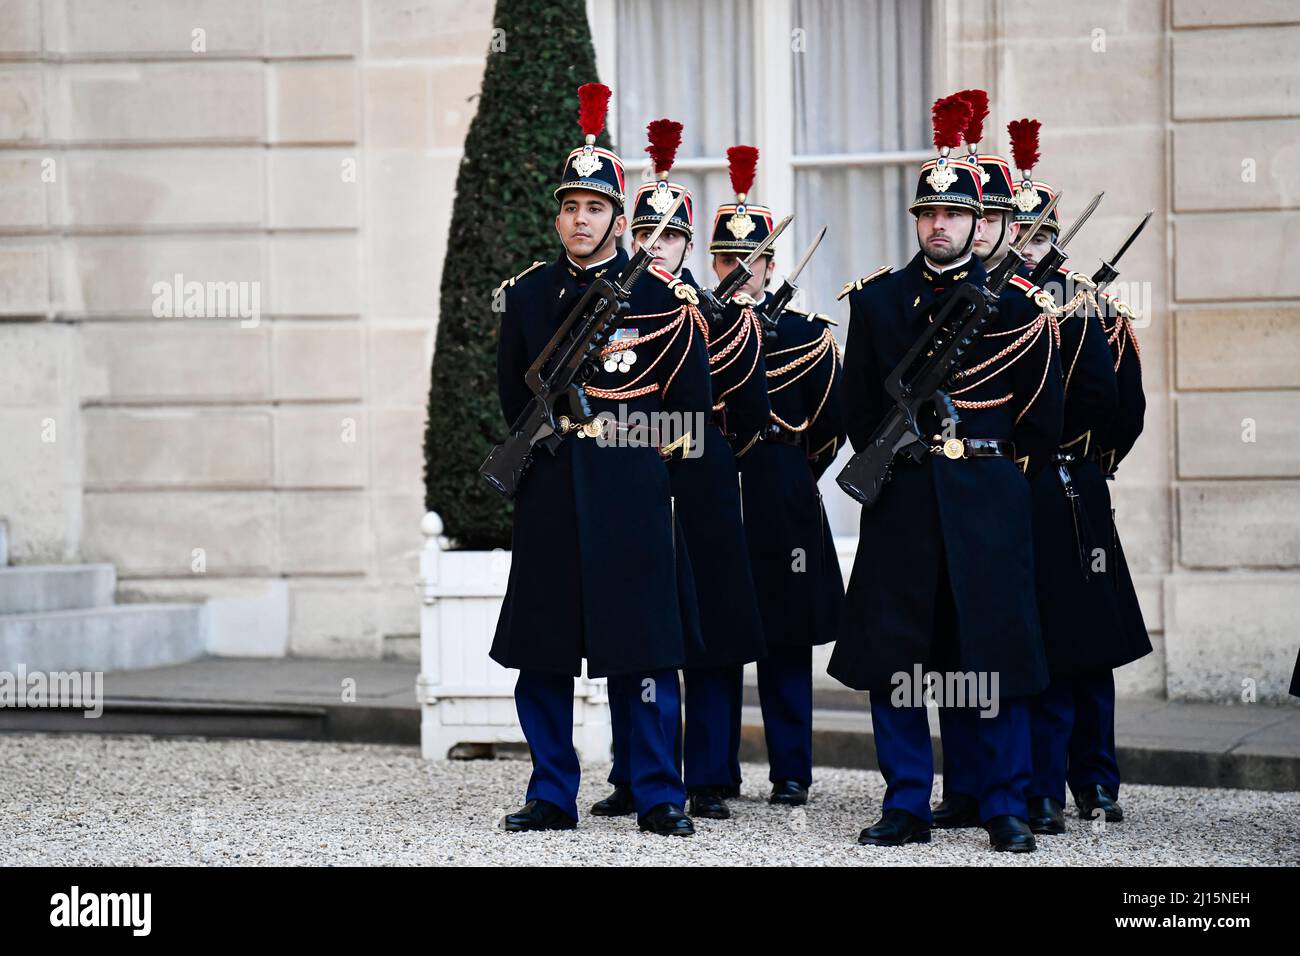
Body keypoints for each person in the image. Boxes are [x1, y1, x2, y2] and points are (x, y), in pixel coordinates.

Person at [830, 93, 1064, 852]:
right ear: (917, 220)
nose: (939, 225)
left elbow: (1043, 418)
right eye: (928, 213)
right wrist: (898, 449)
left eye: (954, 214)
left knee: (987, 653)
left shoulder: (1018, 306)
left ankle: (1000, 801)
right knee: (899, 658)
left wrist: (989, 466)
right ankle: (904, 800)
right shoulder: (877, 301)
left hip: (987, 496)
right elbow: (855, 404)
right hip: (901, 495)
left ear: (977, 220)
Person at [490, 84, 712, 837]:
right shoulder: (526, 297)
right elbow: (510, 400)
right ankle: (552, 791)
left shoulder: (661, 300)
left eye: (594, 208)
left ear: (621, 218)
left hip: (631, 495)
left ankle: (657, 792)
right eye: (569, 207)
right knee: (543, 654)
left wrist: (629, 455)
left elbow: (691, 417)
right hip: (551, 490)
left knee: (643, 655)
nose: (579, 220)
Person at [590, 123, 767, 822]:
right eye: (646, 234)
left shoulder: (719, 311)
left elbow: (748, 413)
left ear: (689, 246)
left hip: (700, 476)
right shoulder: (614, 302)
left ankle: (711, 773)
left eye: (669, 236)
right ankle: (632, 772)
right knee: (633, 624)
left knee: (712, 627)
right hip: (633, 477)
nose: (656, 246)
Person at [706, 146, 846, 808]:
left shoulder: (807, 335)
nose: (740, 270)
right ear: (714, 264)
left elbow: (830, 427)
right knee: (712, 641)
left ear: (769, 264)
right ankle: (710, 772)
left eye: (751, 259)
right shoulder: (693, 331)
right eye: (728, 259)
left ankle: (791, 771)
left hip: (782, 500)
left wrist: (788, 470)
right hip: (712, 498)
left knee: (786, 642)